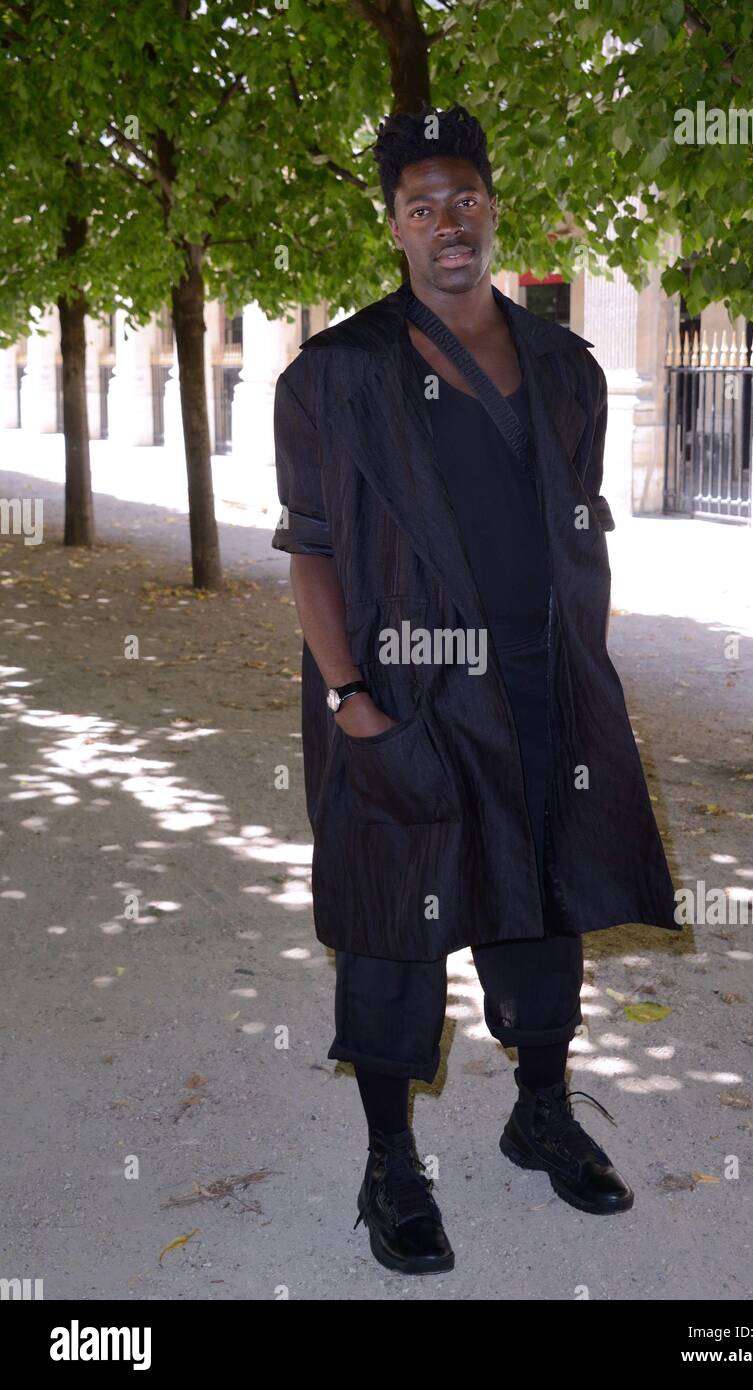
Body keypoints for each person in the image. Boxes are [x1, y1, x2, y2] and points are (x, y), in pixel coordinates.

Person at [273, 104, 681, 1276]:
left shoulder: (564, 366)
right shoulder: (336, 374)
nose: (446, 224)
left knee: (543, 902)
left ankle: (537, 1109)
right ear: (392, 227)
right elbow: (308, 550)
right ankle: (390, 1163)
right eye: (420, 206)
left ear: (492, 209)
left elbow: (573, 526)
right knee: (396, 925)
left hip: (542, 688)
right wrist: (351, 697)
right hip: (400, 692)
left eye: (464, 199)